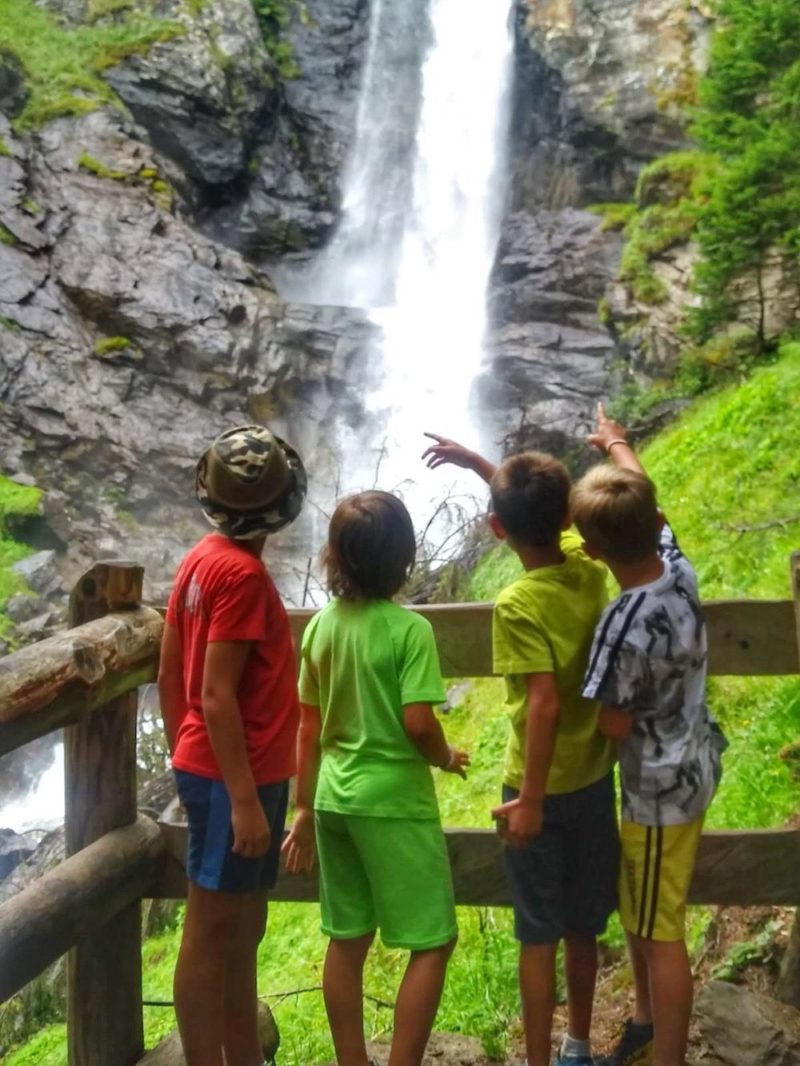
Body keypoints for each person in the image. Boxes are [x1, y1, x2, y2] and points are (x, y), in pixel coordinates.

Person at [423, 434, 619, 1066]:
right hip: (594, 778)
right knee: (583, 926)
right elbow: (539, 512)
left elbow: (543, 704)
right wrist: (483, 466)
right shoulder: (589, 568)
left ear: (497, 530)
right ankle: (577, 1046)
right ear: (566, 517)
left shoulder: (516, 603)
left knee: (537, 935)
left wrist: (530, 800)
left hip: (535, 792)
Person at [282, 489, 469, 1066]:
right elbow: (419, 722)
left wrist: (303, 808)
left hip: (332, 799)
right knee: (434, 940)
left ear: (334, 557)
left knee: (347, 937)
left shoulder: (320, 628)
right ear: (405, 558)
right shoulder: (409, 631)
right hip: (392, 802)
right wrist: (445, 757)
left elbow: (307, 726)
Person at [571, 404, 728, 1066]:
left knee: (662, 933)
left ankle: (667, 1057)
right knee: (643, 913)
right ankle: (644, 1026)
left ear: (593, 550)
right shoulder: (677, 569)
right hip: (696, 760)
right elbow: (644, 497)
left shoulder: (620, 624)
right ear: (658, 523)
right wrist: (618, 445)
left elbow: (612, 720)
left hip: (659, 792)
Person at [157, 424, 307, 1066]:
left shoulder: (201, 558)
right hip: (234, 778)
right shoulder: (242, 577)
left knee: (243, 929)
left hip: (225, 771)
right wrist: (241, 801)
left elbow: (171, 673)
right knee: (211, 930)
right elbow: (216, 695)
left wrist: (183, 756)